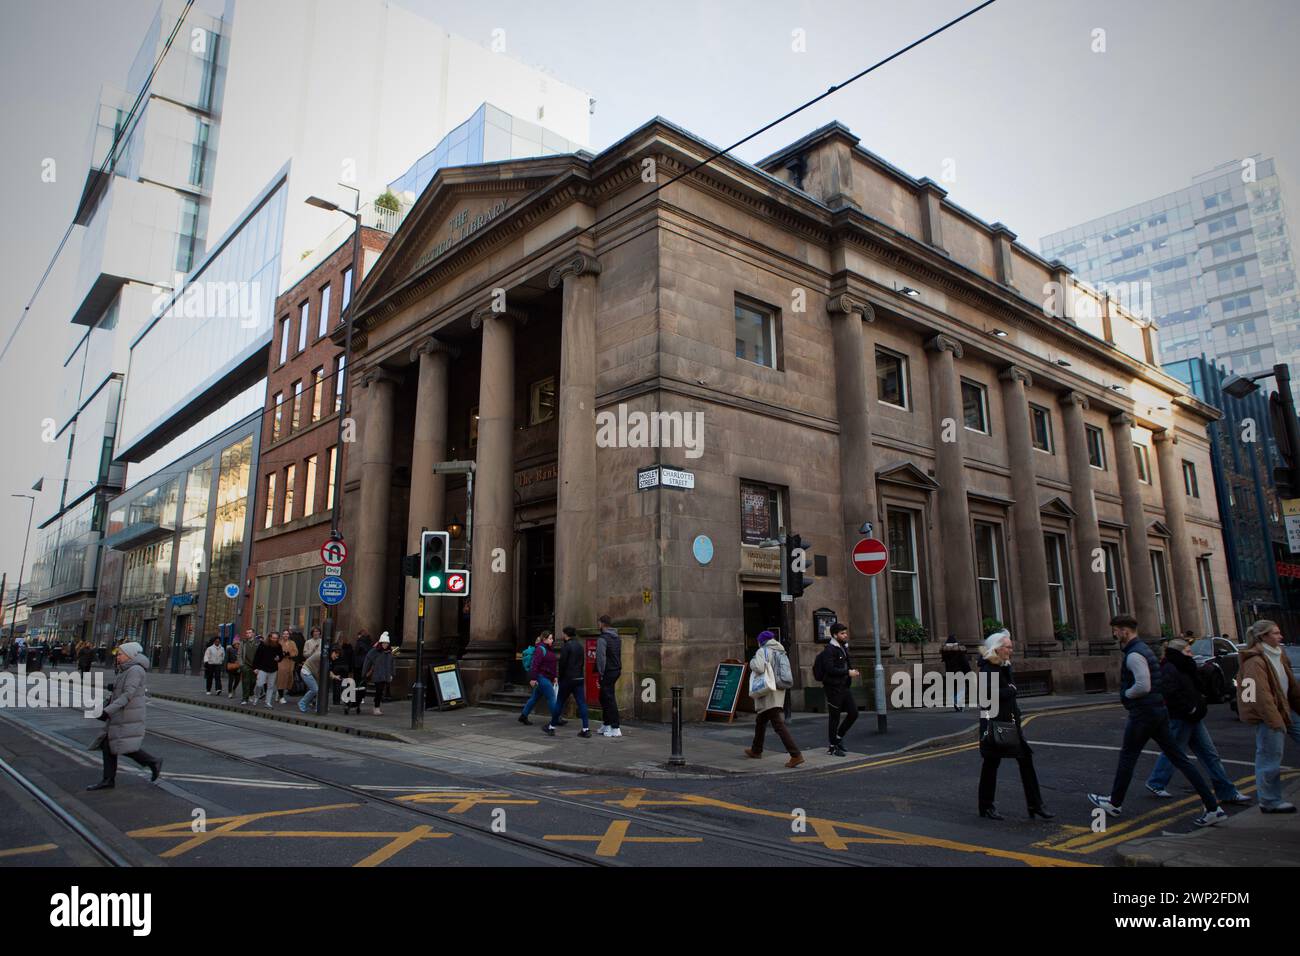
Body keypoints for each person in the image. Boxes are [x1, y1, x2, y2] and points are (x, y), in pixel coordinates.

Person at [1088, 614, 1226, 827]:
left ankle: (1114, 803)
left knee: (1128, 757)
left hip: (1144, 713)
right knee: (1179, 758)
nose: (1114, 634)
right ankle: (1212, 806)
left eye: (1116, 630)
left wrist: (1127, 695)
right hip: (1157, 711)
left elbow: (1143, 685)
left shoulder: (1134, 654)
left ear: (1125, 630)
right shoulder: (1143, 649)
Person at [1144, 639, 1250, 805]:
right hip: (1181, 718)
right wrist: (1189, 708)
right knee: (1177, 753)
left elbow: (1195, 687)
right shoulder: (1170, 668)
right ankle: (1156, 782)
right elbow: (1169, 693)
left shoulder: (1185, 666)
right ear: (1178, 652)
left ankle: (1227, 791)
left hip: (1193, 718)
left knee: (1209, 755)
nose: (1191, 654)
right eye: (1188, 651)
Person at [977, 630, 1052, 820]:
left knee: (1016, 760)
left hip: (1008, 722)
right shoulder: (989, 668)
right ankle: (989, 806)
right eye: (1008, 647)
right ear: (998, 649)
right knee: (995, 763)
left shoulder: (1002, 666)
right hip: (997, 724)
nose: (1011, 650)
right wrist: (1010, 691)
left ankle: (1033, 804)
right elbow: (986, 696)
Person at [1238, 619, 1300, 813]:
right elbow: (1259, 696)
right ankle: (1269, 800)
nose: (1280, 636)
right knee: (1270, 757)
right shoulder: (1255, 661)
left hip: (1286, 709)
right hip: (1270, 714)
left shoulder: (1279, 655)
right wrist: (1273, 720)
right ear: (1263, 636)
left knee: (1271, 755)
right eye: (1275, 633)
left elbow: (1290, 686)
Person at [87, 642, 162, 790]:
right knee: (109, 745)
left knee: (123, 745)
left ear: (129, 655)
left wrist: (107, 710)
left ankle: (152, 761)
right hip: (122, 713)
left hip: (127, 714)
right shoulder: (127, 669)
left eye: (120, 654)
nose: (117, 657)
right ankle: (108, 780)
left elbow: (128, 694)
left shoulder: (134, 670)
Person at [744, 630, 803, 768]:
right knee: (761, 720)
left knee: (778, 724)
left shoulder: (762, 651)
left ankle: (796, 755)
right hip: (777, 689)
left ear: (761, 641)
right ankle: (756, 750)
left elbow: (758, 667)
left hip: (767, 691)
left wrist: (752, 661)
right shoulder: (780, 650)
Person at [818, 622, 858, 756]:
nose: (845, 635)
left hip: (844, 687)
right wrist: (847, 673)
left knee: (854, 713)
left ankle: (838, 738)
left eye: (845, 633)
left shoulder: (843, 647)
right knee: (834, 717)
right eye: (842, 633)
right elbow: (830, 669)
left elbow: (845, 664)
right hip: (833, 688)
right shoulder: (829, 649)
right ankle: (832, 747)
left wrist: (851, 671)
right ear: (835, 635)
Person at [548, 626, 589, 737]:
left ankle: (551, 727)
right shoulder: (580, 646)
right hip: (579, 678)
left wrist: (560, 678)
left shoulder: (566, 646)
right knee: (582, 703)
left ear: (566, 634)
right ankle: (586, 729)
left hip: (567, 679)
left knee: (560, 702)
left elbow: (562, 664)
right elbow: (582, 663)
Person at [520, 631, 560, 727]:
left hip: (547, 677)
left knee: (535, 697)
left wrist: (554, 676)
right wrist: (533, 678)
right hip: (541, 677)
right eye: (550, 638)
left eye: (552, 638)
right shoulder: (540, 649)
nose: (552, 640)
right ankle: (556, 719)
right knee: (551, 697)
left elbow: (552, 665)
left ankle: (523, 715)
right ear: (544, 639)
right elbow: (535, 665)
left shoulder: (549, 649)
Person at [595, 615, 623, 737]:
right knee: (603, 697)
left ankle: (615, 727)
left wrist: (600, 674)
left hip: (608, 671)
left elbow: (601, 658)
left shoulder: (602, 639)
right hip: (616, 670)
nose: (598, 625)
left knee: (609, 698)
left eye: (598, 623)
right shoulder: (617, 637)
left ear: (602, 624)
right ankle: (606, 724)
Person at [363, 632, 395, 715]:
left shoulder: (389, 653)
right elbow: (368, 661)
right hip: (377, 674)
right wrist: (365, 672)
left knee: (380, 691)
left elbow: (392, 664)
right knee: (379, 691)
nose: (386, 645)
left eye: (387, 643)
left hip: (385, 675)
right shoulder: (375, 651)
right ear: (381, 643)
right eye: (384, 643)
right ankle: (376, 707)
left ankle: (376, 706)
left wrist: (391, 674)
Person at [941, 635, 971, 712]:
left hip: (950, 673)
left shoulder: (945, 653)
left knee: (955, 689)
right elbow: (965, 664)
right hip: (959, 673)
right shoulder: (959, 652)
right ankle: (956, 701)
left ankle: (958, 704)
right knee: (963, 689)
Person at [252, 632, 283, 708]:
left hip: (273, 668)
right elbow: (257, 657)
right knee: (259, 684)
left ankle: (268, 702)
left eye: (276, 638)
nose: (274, 640)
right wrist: (255, 668)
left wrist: (279, 658)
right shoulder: (263, 645)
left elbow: (281, 656)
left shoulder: (278, 646)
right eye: (273, 638)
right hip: (262, 668)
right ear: (269, 637)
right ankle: (256, 696)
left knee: (270, 686)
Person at [299, 627, 322, 713]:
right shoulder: (308, 642)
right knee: (313, 688)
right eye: (314, 631)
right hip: (310, 665)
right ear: (312, 633)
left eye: (318, 631)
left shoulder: (322, 641)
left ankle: (317, 705)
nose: (316, 633)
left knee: (318, 688)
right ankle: (305, 703)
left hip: (319, 667)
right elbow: (305, 654)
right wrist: (312, 650)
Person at [277, 629, 300, 703]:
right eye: (284, 634)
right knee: (281, 678)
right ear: (282, 635)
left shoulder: (292, 642)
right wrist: (282, 654)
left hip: (290, 662)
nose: (285, 635)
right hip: (281, 662)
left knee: (289, 679)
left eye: (287, 634)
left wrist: (289, 653)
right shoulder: (279, 642)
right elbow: (276, 652)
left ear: (289, 635)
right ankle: (281, 696)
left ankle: (279, 692)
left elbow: (296, 652)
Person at [239, 628, 259, 703]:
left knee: (253, 681)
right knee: (245, 681)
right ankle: (245, 698)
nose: (248, 634)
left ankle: (251, 693)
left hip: (255, 666)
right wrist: (241, 664)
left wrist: (259, 666)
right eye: (247, 633)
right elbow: (239, 654)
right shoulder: (243, 642)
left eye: (250, 632)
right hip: (245, 665)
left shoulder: (258, 643)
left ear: (253, 634)